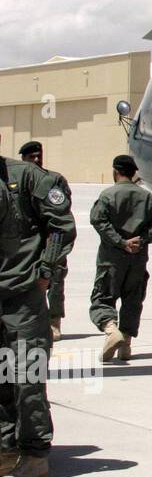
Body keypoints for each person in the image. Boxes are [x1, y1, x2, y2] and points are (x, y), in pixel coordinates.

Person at [0, 133, 77, 477]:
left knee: (25, 375)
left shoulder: (27, 178)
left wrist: (46, 271)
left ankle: (35, 457)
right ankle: (6, 448)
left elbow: (61, 226)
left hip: (23, 297)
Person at [88, 155, 152, 363]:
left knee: (103, 299)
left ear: (115, 171)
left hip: (111, 259)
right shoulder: (146, 197)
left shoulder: (108, 195)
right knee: (133, 300)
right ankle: (126, 345)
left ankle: (112, 331)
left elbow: (98, 221)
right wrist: (140, 241)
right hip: (138, 260)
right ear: (133, 173)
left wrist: (121, 242)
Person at [19, 141, 72, 342]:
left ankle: (54, 322)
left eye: (38, 156)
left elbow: (62, 212)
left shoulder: (54, 179)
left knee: (56, 282)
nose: (35, 160)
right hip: (26, 243)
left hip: (51, 240)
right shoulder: (16, 178)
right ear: (23, 158)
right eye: (31, 157)